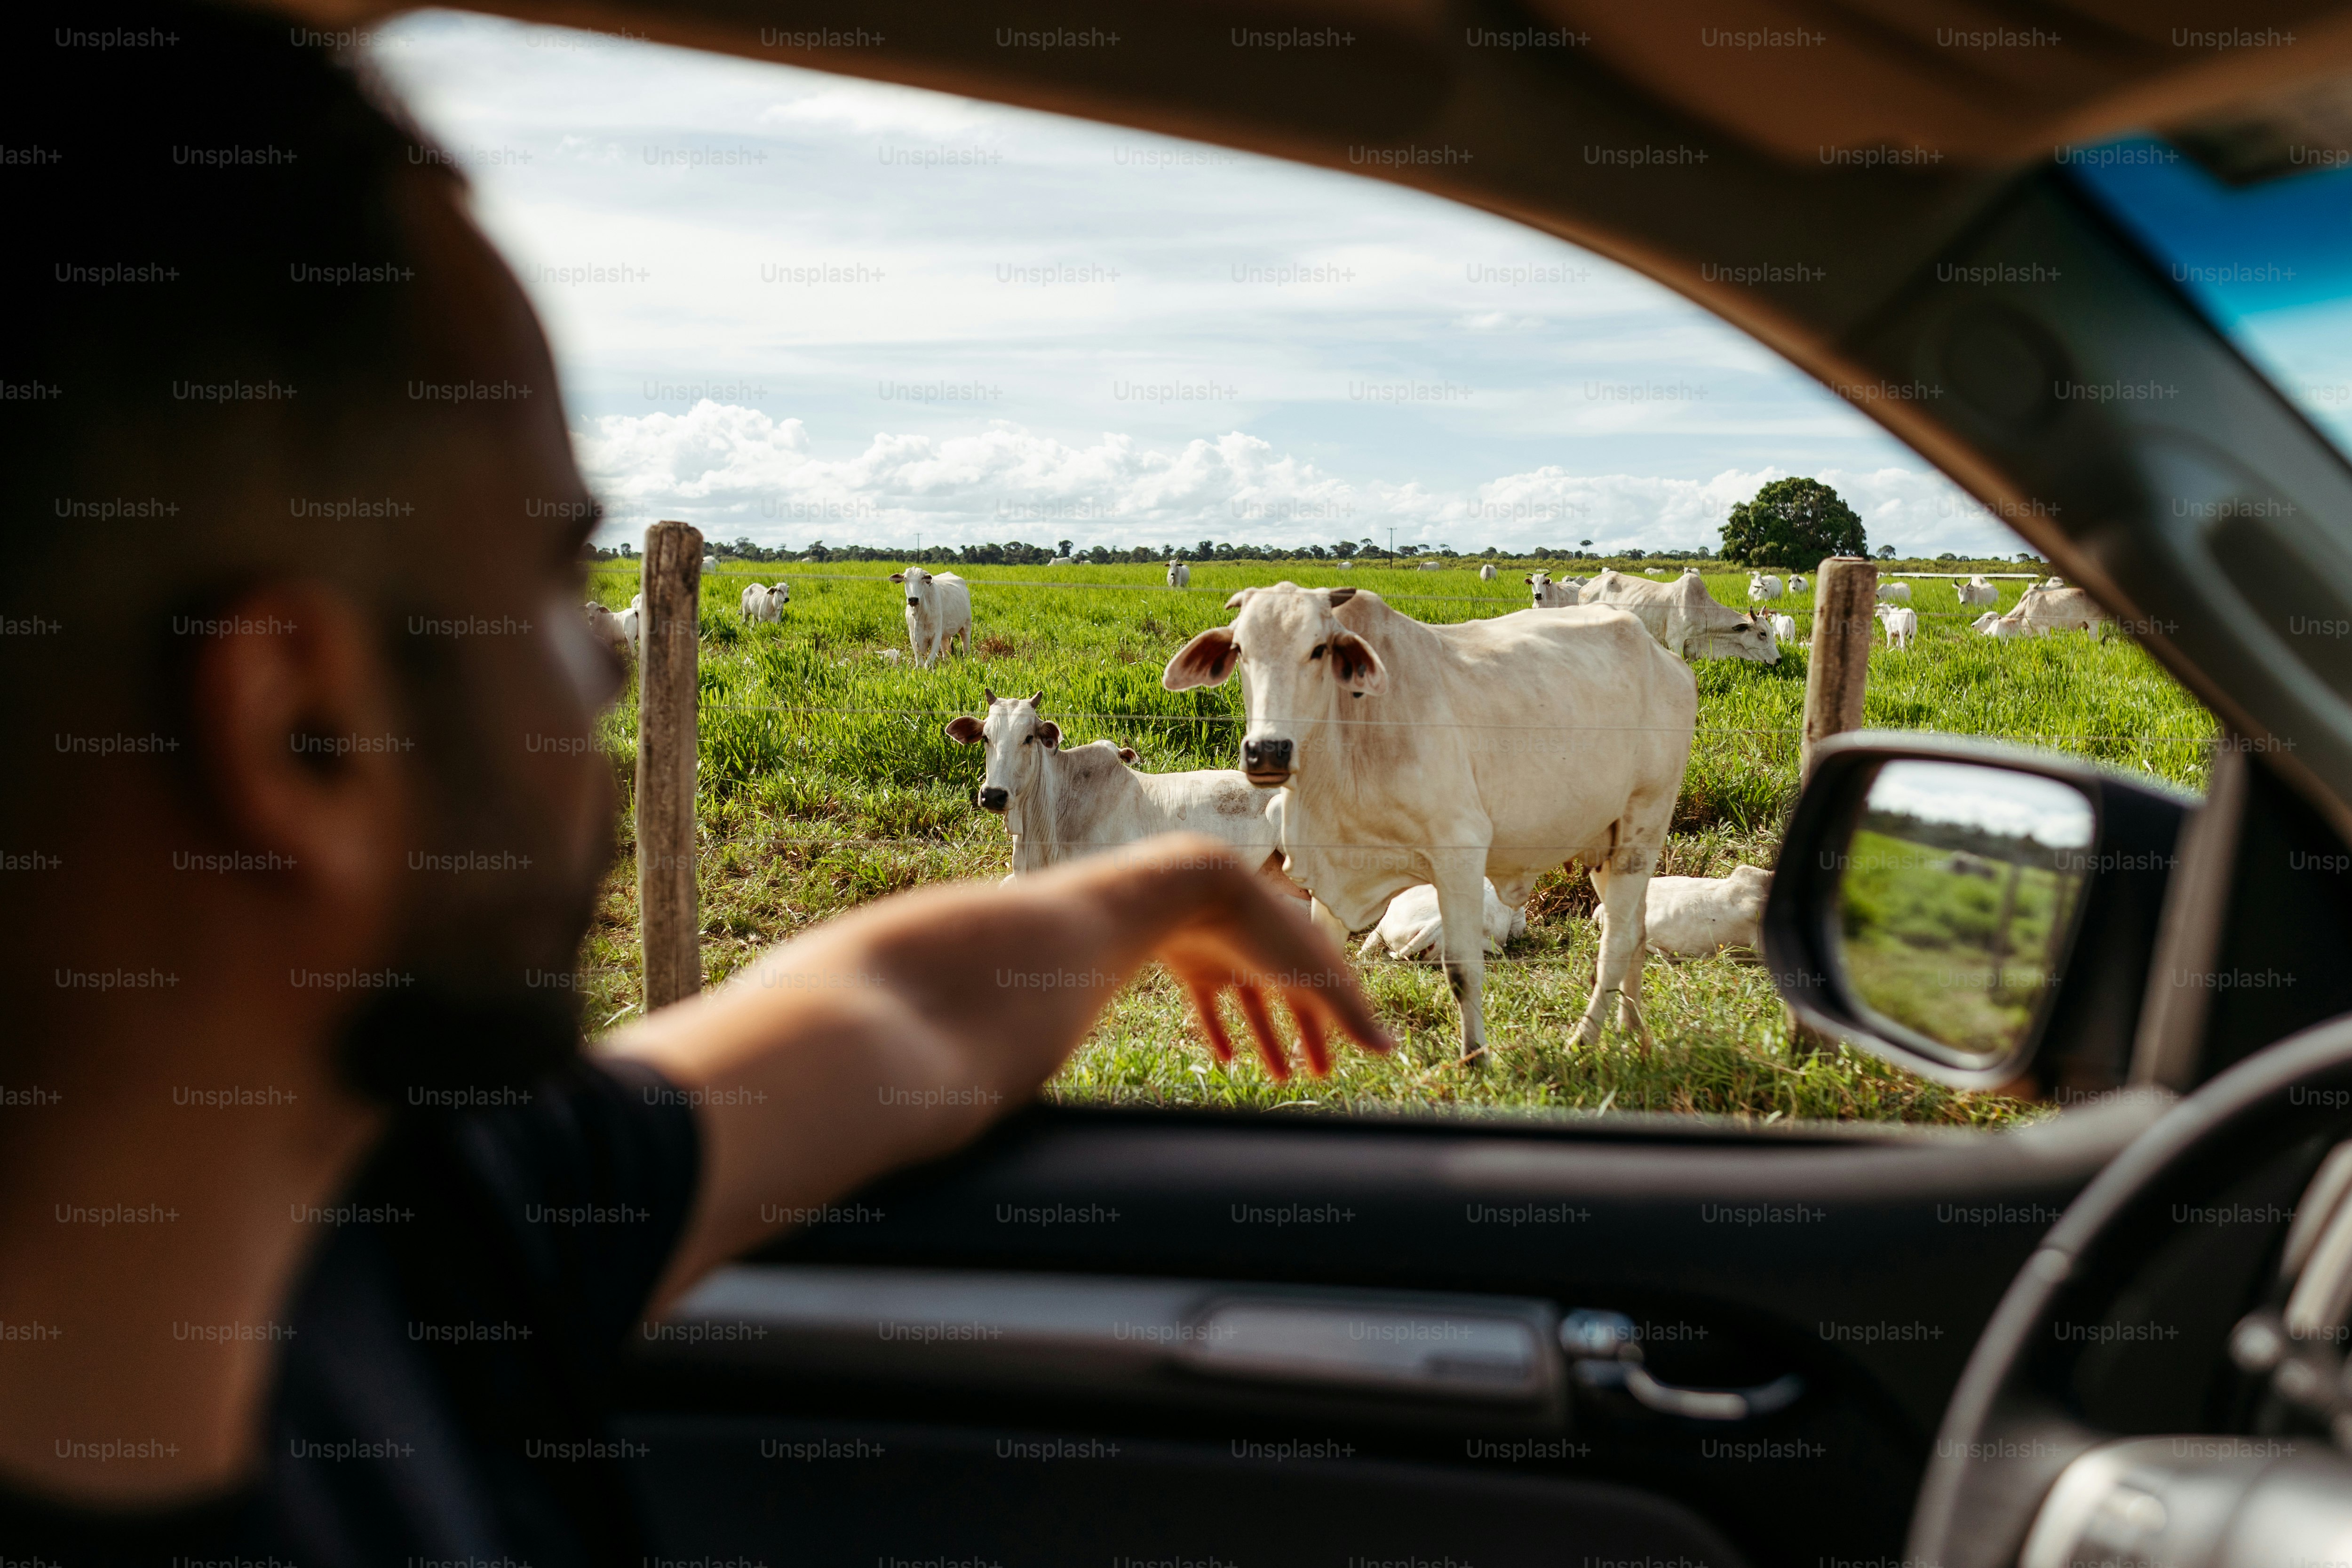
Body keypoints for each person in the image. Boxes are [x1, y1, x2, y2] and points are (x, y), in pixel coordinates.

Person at [0, 7, 1389, 1563]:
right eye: (543, 575)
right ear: (302, 737)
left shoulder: (409, 1208)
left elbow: (890, 1014)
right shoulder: (450, 1245)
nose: (603, 666)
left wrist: (1168, 879)